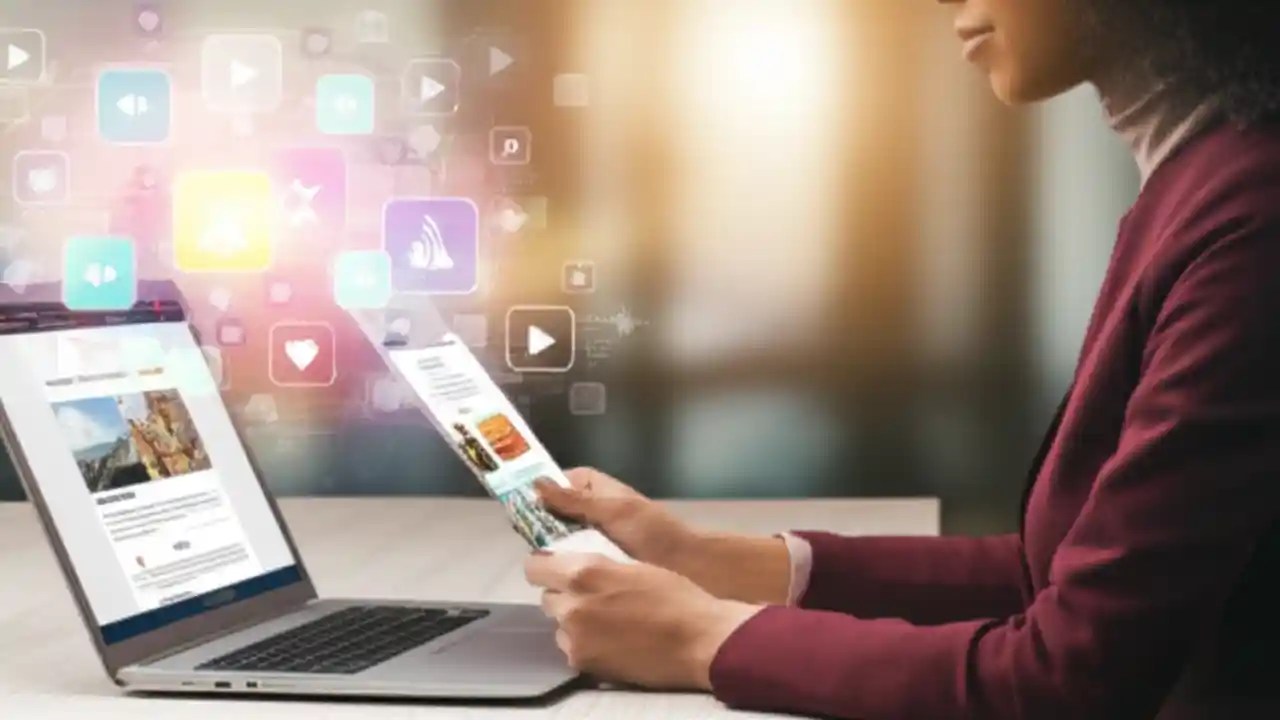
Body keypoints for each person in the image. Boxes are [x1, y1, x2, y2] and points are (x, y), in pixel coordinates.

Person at [523, 1, 1280, 718]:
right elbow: (1051, 577)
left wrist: (702, 637)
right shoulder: (1204, 183)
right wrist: (704, 560)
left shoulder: (1249, 220)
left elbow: (1072, 677)